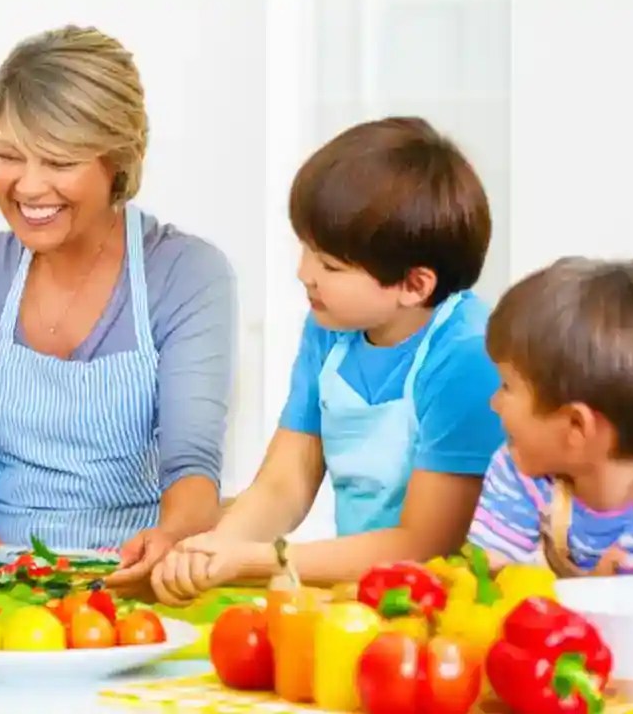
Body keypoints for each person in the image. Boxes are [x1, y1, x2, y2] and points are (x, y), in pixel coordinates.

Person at [0, 25, 235, 589]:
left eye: (60, 161)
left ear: (117, 159)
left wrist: (169, 539)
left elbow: (191, 466)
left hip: (139, 583)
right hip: (3, 582)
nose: (29, 186)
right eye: (9, 156)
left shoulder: (188, 274)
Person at [153, 117, 504, 604]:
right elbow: (286, 480)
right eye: (306, 250)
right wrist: (218, 547)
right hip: (358, 598)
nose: (304, 274)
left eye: (330, 265)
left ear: (415, 285)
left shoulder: (467, 356)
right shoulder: (331, 326)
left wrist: (257, 559)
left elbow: (425, 544)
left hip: (451, 606)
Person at [469, 258, 633, 576]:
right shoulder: (520, 473)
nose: (494, 403)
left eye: (507, 387)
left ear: (576, 427)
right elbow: (485, 578)